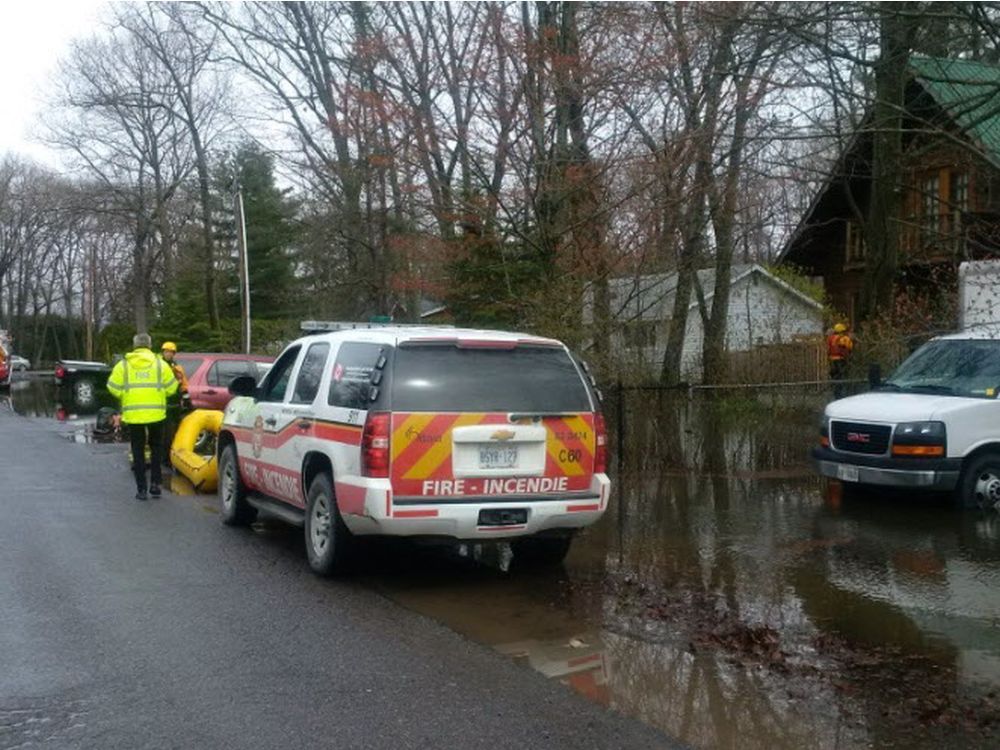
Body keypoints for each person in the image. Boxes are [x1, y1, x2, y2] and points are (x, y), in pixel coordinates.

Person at [107, 333, 178, 500]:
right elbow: (172, 388)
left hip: (133, 415)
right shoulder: (161, 365)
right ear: (150, 345)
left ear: (134, 346)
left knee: (138, 451)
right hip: (156, 414)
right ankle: (155, 485)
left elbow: (112, 387)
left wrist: (125, 395)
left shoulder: (123, 366)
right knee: (156, 449)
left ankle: (141, 490)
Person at [160, 341, 191, 467]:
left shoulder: (177, 367)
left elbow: (183, 384)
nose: (169, 354)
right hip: (163, 404)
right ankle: (164, 459)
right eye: (167, 352)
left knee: (173, 433)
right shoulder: (159, 367)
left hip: (175, 404)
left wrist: (187, 399)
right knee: (165, 434)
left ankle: (171, 457)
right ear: (163, 352)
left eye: (171, 352)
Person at [827, 322, 855, 398]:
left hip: (832, 362)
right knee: (843, 378)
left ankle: (836, 395)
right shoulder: (844, 338)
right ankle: (842, 396)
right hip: (841, 361)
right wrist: (852, 339)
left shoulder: (830, 338)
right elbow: (850, 347)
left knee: (835, 379)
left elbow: (829, 349)